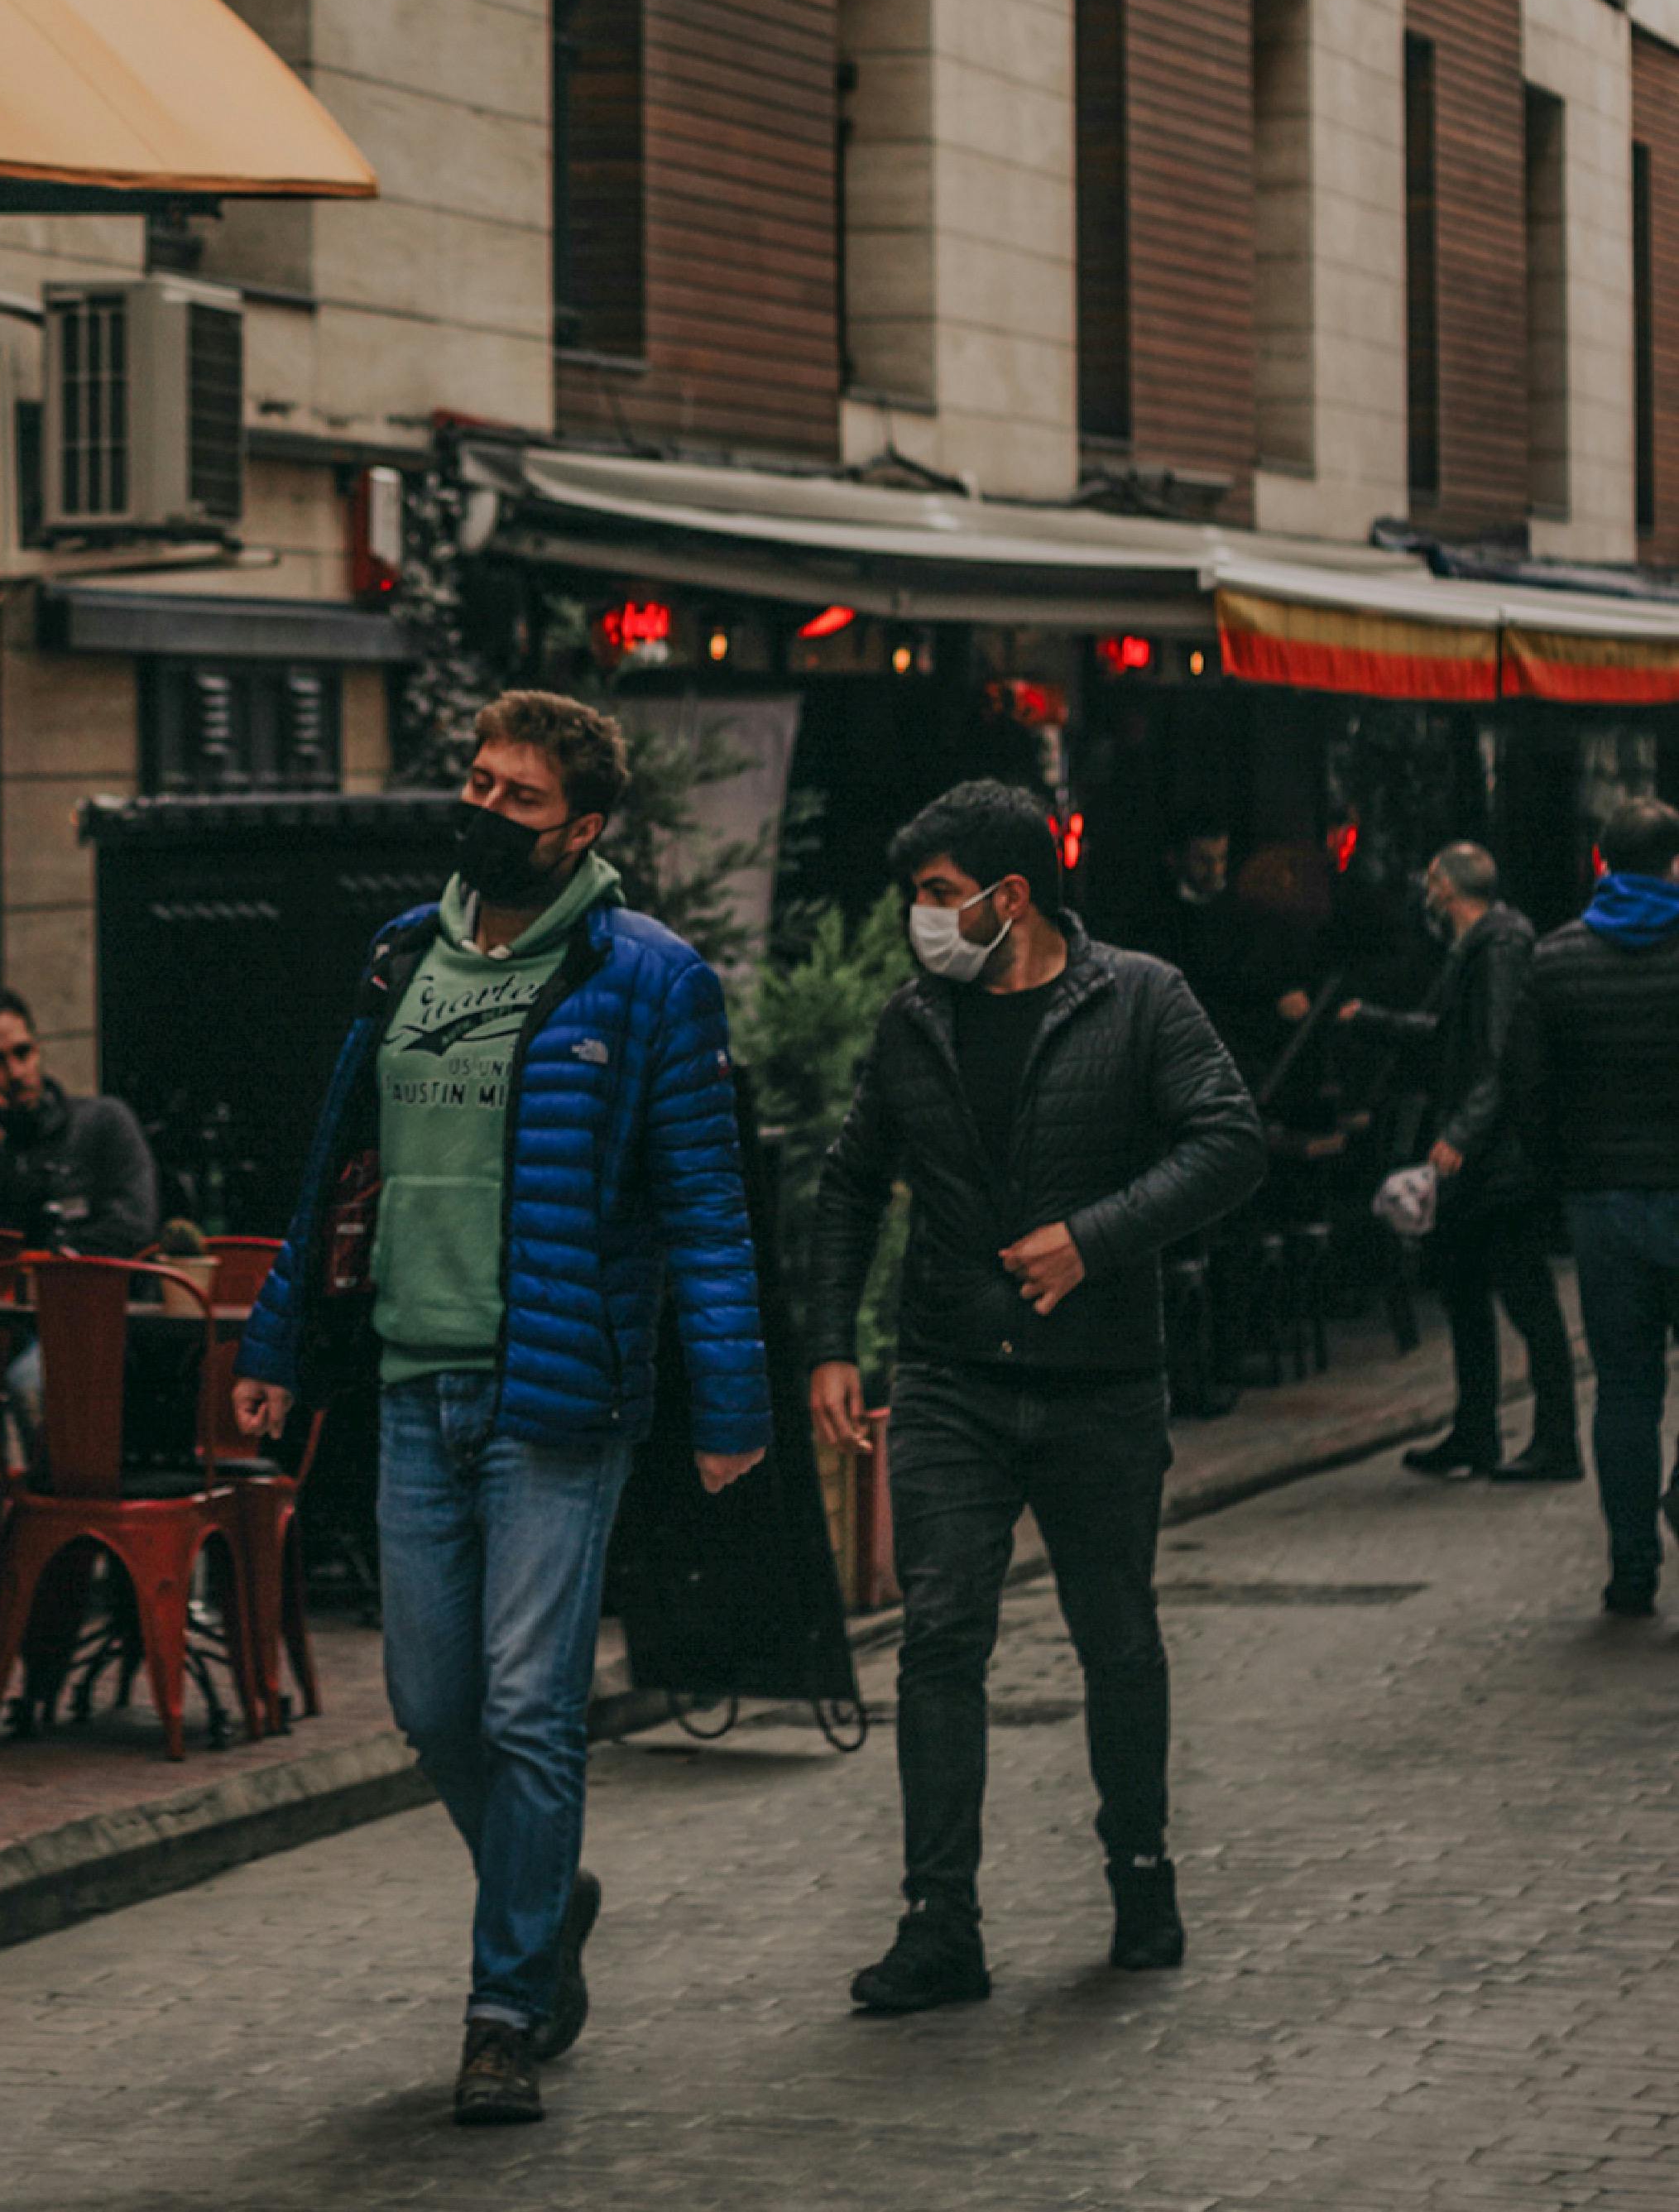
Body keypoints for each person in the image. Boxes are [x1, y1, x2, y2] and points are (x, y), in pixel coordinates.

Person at [233, 690, 768, 2128]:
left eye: (515, 797)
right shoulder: (402, 954)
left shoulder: (648, 978)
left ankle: (502, 2010)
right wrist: (279, 1335)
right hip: (410, 1380)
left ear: (580, 830)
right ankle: (547, 1890)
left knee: (530, 1708)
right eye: (474, 780)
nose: (481, 809)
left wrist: (730, 1400)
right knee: (428, 1704)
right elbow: (339, 1162)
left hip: (557, 1396)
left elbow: (706, 1209)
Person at [808, 777, 1265, 2014]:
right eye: (915, 899)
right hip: (950, 1375)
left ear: (1011, 897)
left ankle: (1140, 1876)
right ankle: (937, 1924)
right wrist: (829, 1345)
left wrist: (1092, 1239)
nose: (923, 919)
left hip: (1100, 1380)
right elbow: (852, 1183)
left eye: (940, 897)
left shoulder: (1139, 997)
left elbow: (1229, 1142)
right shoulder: (916, 1020)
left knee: (1114, 1635)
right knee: (940, 1638)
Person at [1341, 843, 1574, 1484]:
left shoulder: (1496, 949)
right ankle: (1476, 1431)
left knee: (1524, 1297)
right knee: (1465, 1291)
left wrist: (1463, 1132)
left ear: (1444, 887)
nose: (1426, 894)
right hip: (1479, 1156)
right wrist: (1373, 1021)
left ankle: (1555, 1438)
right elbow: (1448, 1035)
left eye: (1431, 882)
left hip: (1497, 1158)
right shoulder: (1473, 950)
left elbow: (1498, 1050)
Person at [1518, 795, 1679, 1616]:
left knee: (1622, 1390)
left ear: (1600, 863)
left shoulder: (1553, 961)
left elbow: (1530, 1094)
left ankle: (1630, 1567)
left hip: (1599, 1203)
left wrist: (1562, 1182)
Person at [0, 987, 161, 1258]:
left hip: (97, 1287)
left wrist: (52, 1259)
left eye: (23, 1052)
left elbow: (134, 1223)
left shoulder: (103, 1122)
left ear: (37, 1050)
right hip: (3, 1294)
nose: (15, 1073)